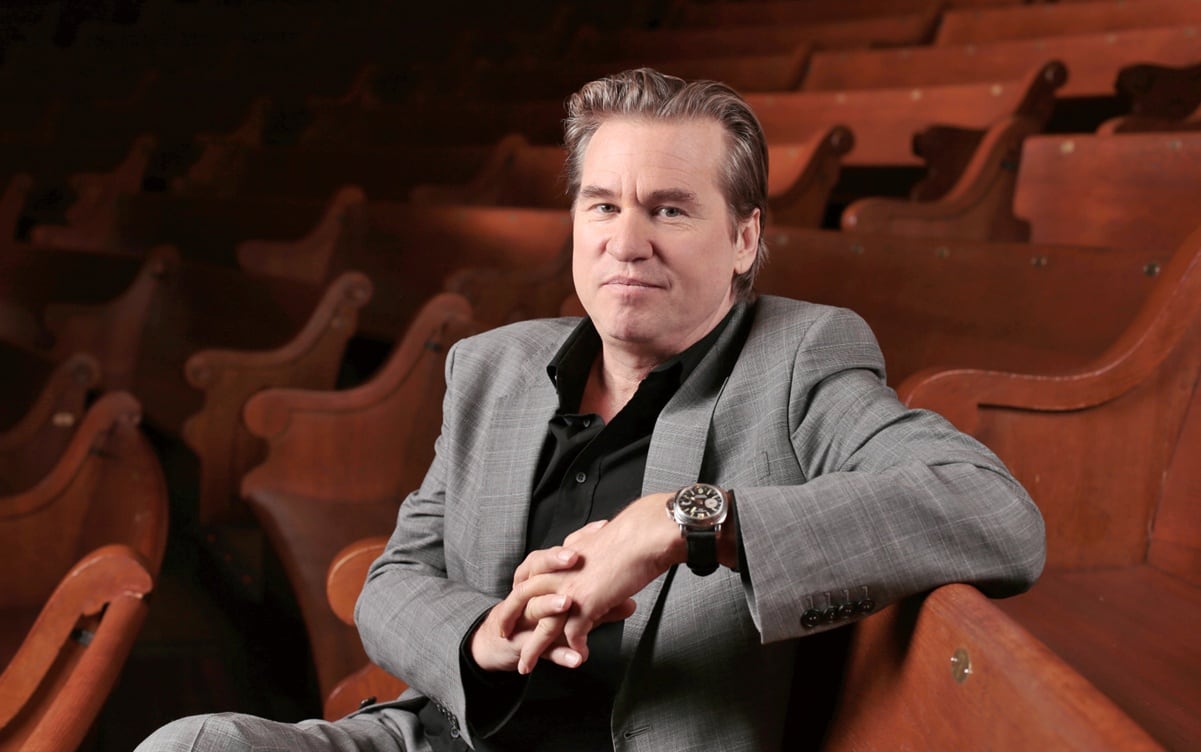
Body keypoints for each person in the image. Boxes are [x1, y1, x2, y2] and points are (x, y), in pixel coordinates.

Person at [136, 67, 1045, 752]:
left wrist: (681, 521)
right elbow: (394, 578)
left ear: (744, 237)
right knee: (191, 744)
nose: (626, 242)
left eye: (670, 210)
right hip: (444, 736)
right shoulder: (493, 366)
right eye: (602, 204)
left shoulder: (799, 357)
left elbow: (992, 511)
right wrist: (483, 637)